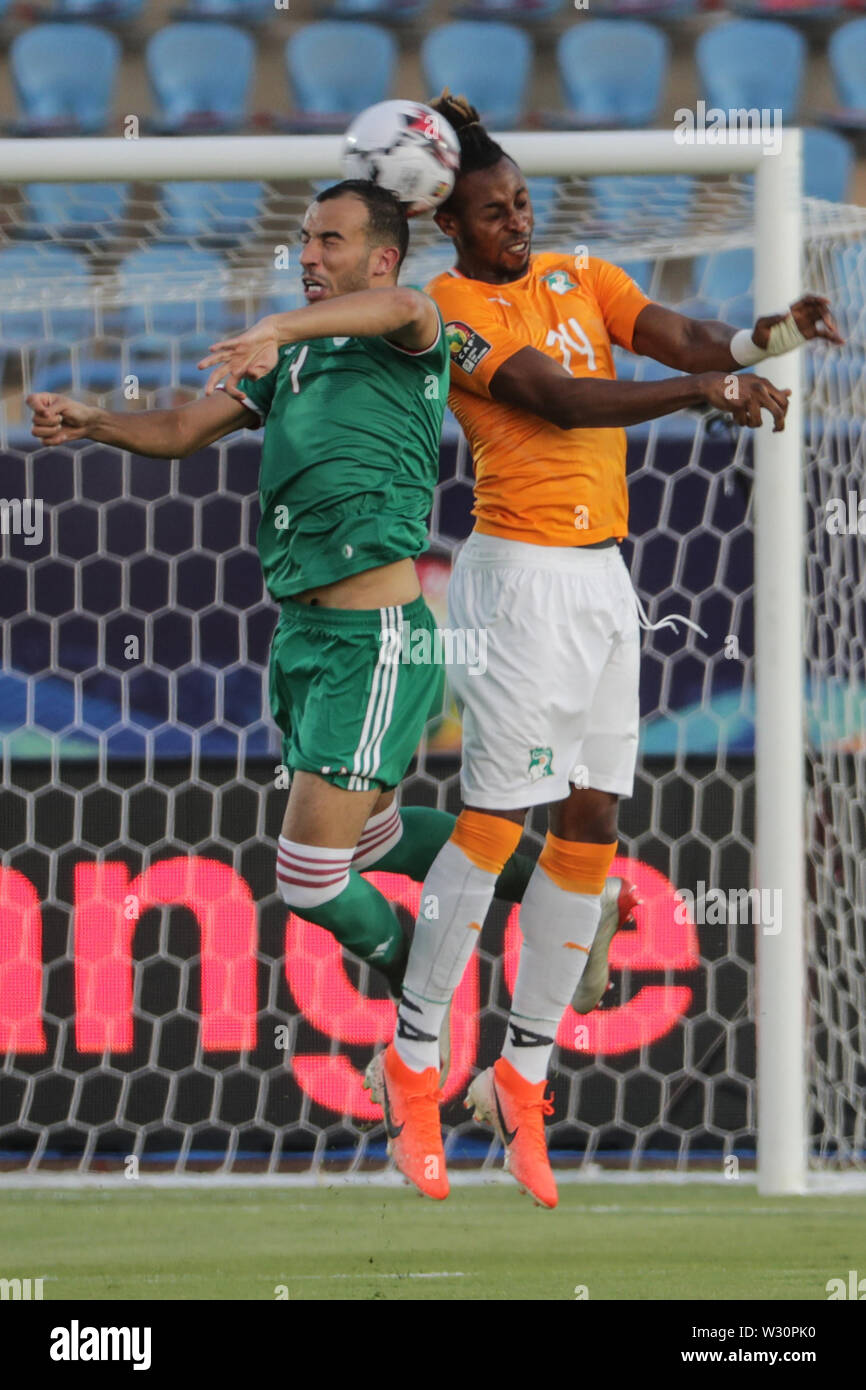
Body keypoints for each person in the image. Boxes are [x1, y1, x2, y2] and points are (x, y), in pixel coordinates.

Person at [361, 93, 844, 1207]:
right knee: (490, 826)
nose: (514, 222)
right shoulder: (442, 305)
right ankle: (415, 1061)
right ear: (450, 225)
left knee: (590, 823)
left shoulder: (580, 275)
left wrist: (765, 335)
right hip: (516, 575)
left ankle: (519, 1080)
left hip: (601, 580)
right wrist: (702, 394)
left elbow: (684, 337)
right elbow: (554, 398)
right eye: (490, 211)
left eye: (522, 202)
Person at [27, 179, 600, 1021]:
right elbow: (185, 430)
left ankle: (426, 1006)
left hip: (373, 642)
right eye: (304, 241)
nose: (307, 256)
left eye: (329, 241)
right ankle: (580, 900)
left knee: (307, 877)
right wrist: (94, 421)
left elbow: (404, 307)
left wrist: (275, 326)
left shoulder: (410, 331)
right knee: (378, 840)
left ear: (380, 254)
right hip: (304, 636)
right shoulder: (291, 356)